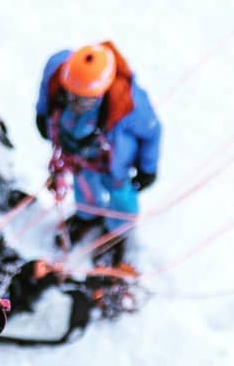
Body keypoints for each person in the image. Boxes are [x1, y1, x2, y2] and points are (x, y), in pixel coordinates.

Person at [34, 41, 161, 265]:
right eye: (71, 95)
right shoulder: (57, 69)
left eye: (83, 99)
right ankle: (87, 217)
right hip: (77, 156)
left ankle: (116, 233)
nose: (74, 102)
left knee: (121, 197)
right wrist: (42, 114)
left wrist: (147, 168)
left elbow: (152, 131)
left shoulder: (129, 103)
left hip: (115, 163)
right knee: (85, 187)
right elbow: (47, 90)